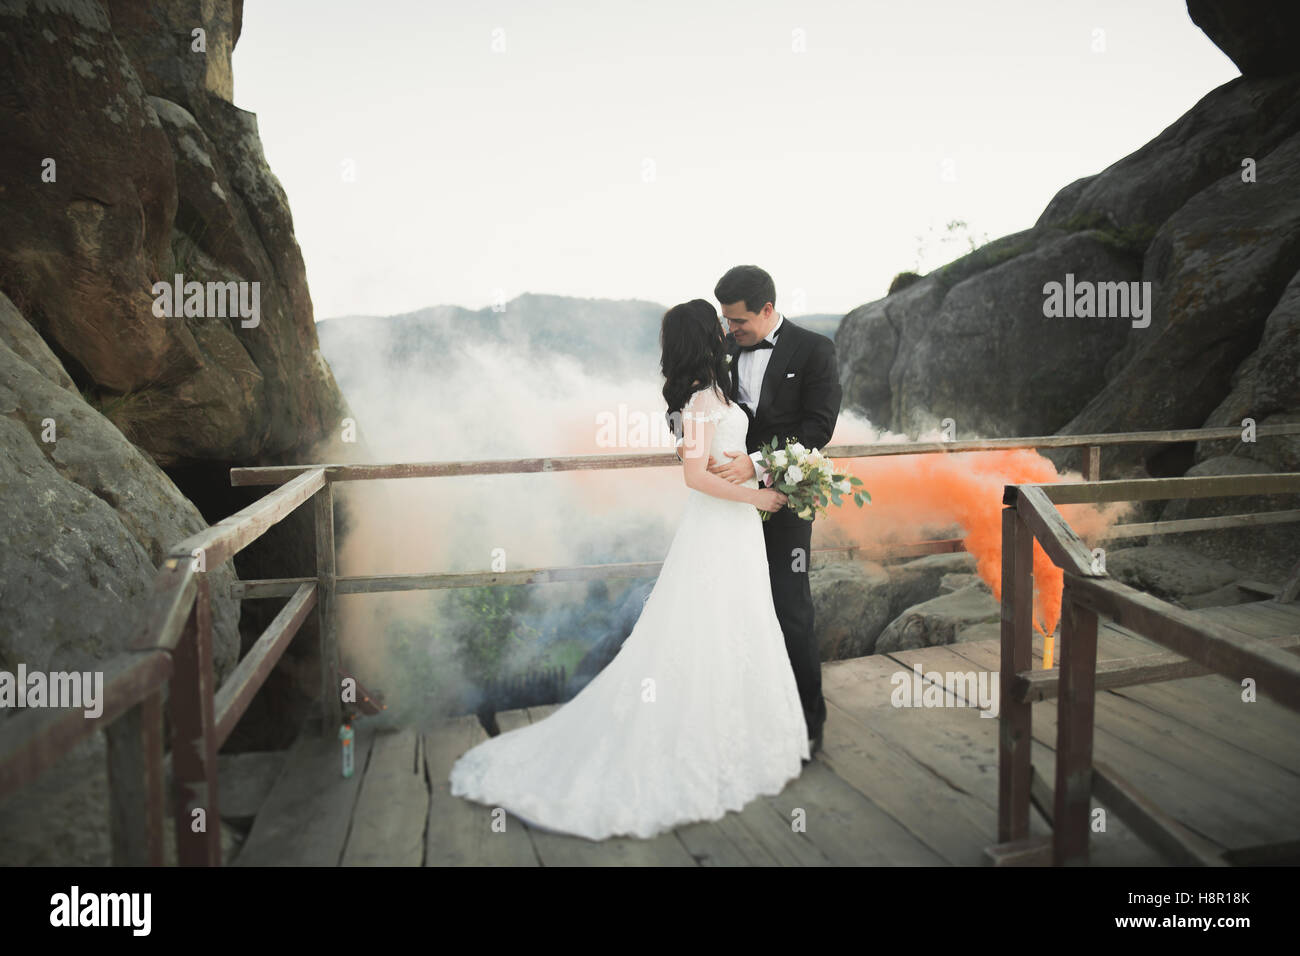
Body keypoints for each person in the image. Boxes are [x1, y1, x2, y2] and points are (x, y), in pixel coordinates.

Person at [447, 298, 809, 841]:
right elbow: (692, 477)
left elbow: (716, 461)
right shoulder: (699, 402)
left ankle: (730, 734)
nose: (724, 332)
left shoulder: (717, 391)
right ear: (704, 338)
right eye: (716, 327)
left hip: (732, 530)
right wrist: (757, 498)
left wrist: (757, 480)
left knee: (736, 624)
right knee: (702, 626)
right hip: (719, 525)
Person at [703, 264, 843, 759]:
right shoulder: (722, 348)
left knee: (790, 607)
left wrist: (757, 464)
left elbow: (819, 428)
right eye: (725, 320)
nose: (731, 330)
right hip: (727, 507)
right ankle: (746, 716)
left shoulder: (814, 350)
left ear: (766, 310)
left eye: (738, 321)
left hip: (784, 499)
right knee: (734, 605)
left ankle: (807, 723)